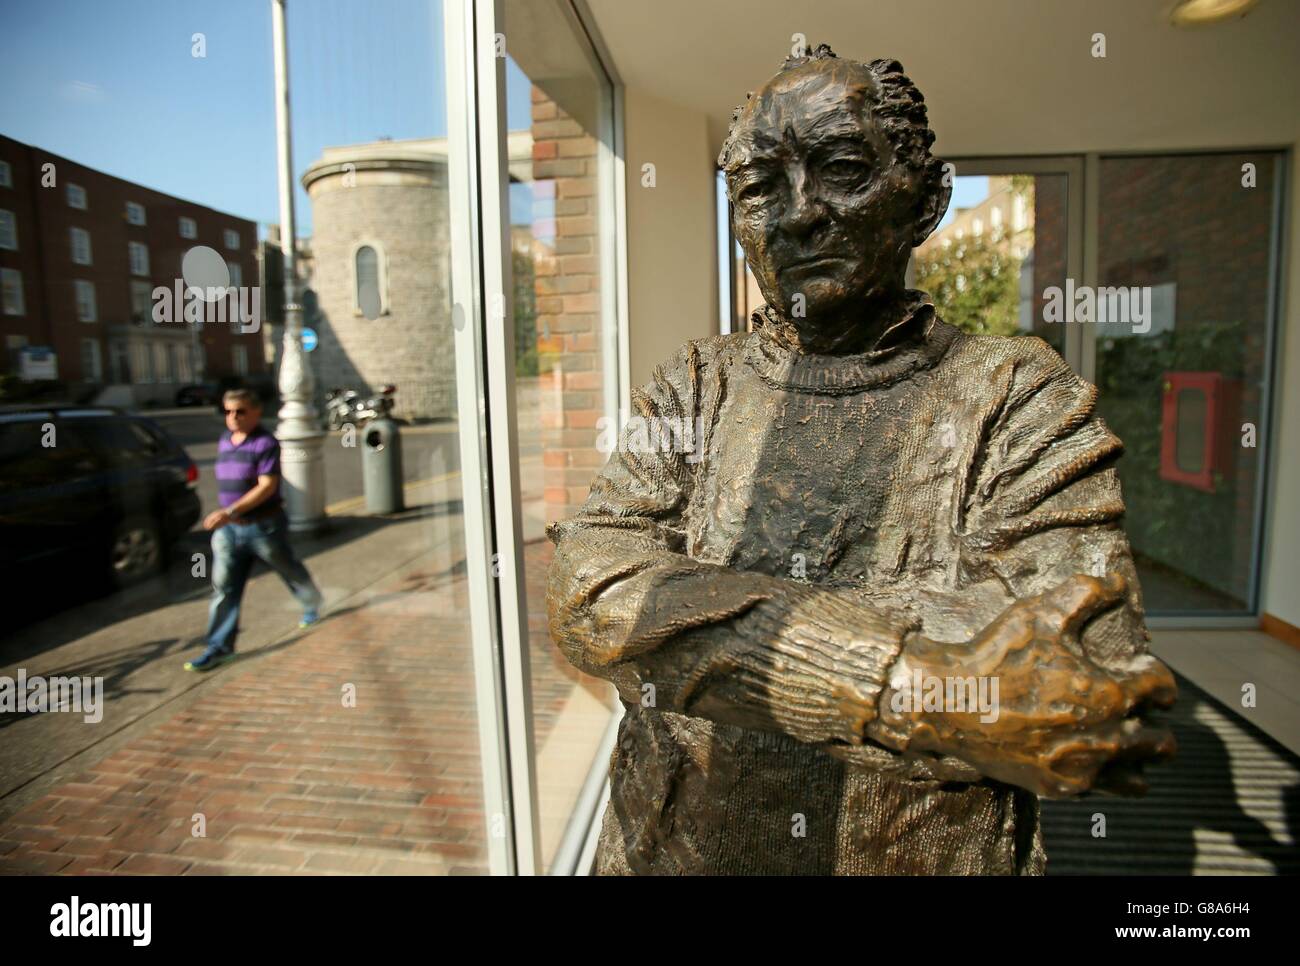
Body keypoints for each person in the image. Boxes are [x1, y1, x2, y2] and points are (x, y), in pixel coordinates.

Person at [545, 46, 1177, 874]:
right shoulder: (696, 385)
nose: (798, 215)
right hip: (670, 846)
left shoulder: (1017, 396)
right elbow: (590, 592)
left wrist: (695, 632)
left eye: (840, 167)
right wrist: (912, 686)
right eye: (758, 188)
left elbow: (1076, 695)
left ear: (926, 201)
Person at [185, 388, 323, 671]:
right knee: (224, 589)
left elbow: (267, 486)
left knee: (286, 567)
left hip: (263, 526)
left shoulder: (265, 443)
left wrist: (230, 510)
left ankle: (312, 603)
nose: (233, 417)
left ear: (256, 412)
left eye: (240, 411)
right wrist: (229, 517)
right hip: (228, 531)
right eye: (228, 411)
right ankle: (219, 647)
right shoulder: (226, 440)